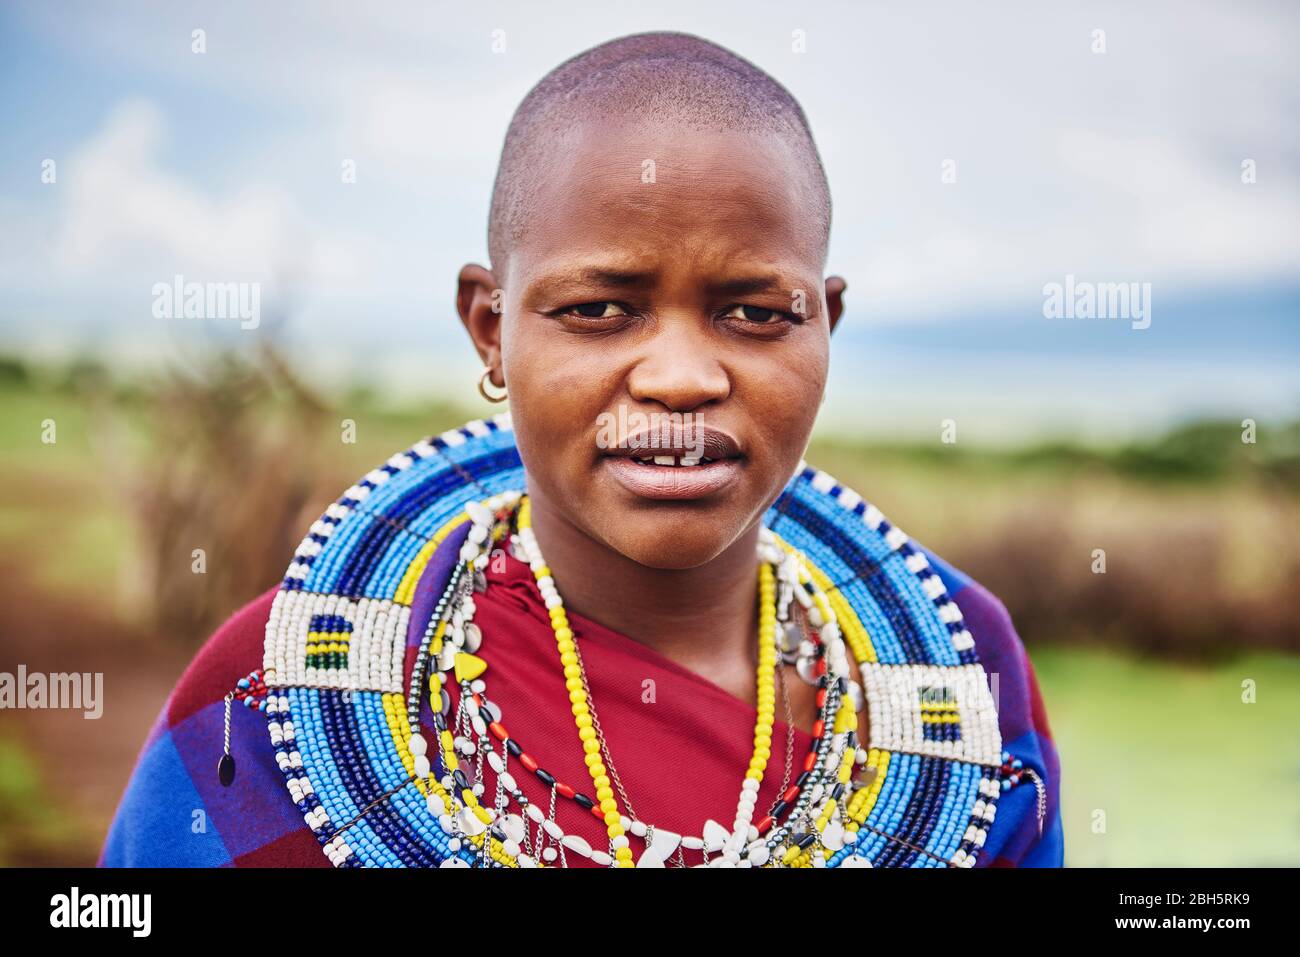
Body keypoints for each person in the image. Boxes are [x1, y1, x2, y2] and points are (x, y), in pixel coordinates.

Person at [100, 31, 1062, 868]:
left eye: (757, 313)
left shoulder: (959, 670)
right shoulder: (276, 696)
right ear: (491, 330)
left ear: (827, 323)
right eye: (599, 310)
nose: (682, 376)